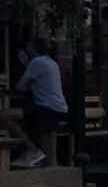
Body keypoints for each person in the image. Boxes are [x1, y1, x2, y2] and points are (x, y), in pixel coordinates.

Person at [10, 35, 66, 169]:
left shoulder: (37, 62)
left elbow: (20, 86)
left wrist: (24, 64)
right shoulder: (51, 62)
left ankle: (32, 151)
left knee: (5, 115)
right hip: (59, 108)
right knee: (51, 156)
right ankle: (42, 159)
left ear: (31, 48)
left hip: (47, 108)